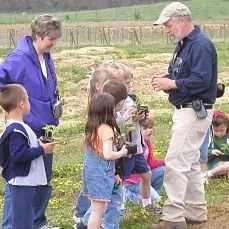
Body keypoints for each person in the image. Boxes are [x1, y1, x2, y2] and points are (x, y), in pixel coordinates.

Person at [152, 2, 217, 229]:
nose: (166, 29)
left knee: (176, 162)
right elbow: (188, 74)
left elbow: (201, 80)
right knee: (188, 163)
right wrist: (169, 76)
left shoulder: (200, 45)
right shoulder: (184, 45)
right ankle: (195, 211)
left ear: (181, 20)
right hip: (188, 110)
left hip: (193, 110)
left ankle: (173, 217)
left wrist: (172, 83)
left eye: (168, 24)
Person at [0, 14, 62, 229]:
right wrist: (15, 109)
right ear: (38, 35)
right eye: (50, 39)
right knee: (19, 182)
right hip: (26, 130)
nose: (54, 43)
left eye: (55, 39)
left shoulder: (46, 56)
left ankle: (37, 223)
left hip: (46, 128)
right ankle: (10, 226)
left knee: (43, 179)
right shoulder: (18, 59)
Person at [0, 84, 56, 229]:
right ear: (22, 104)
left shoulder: (19, 127)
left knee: (26, 218)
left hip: (25, 182)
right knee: (22, 222)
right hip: (22, 182)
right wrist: (41, 150)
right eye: (29, 100)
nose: (30, 104)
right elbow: (18, 155)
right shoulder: (17, 130)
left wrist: (37, 144)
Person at [82, 92, 128, 229]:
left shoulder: (91, 127)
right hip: (101, 174)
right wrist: (122, 152)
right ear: (108, 110)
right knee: (98, 211)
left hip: (90, 172)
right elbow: (108, 155)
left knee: (98, 206)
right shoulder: (106, 130)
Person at [124, 117, 165, 210]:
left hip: (145, 176)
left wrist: (166, 161)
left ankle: (150, 192)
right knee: (156, 200)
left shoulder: (147, 143)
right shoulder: (134, 146)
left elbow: (151, 163)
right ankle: (129, 196)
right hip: (134, 180)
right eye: (145, 128)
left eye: (150, 127)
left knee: (164, 170)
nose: (149, 130)